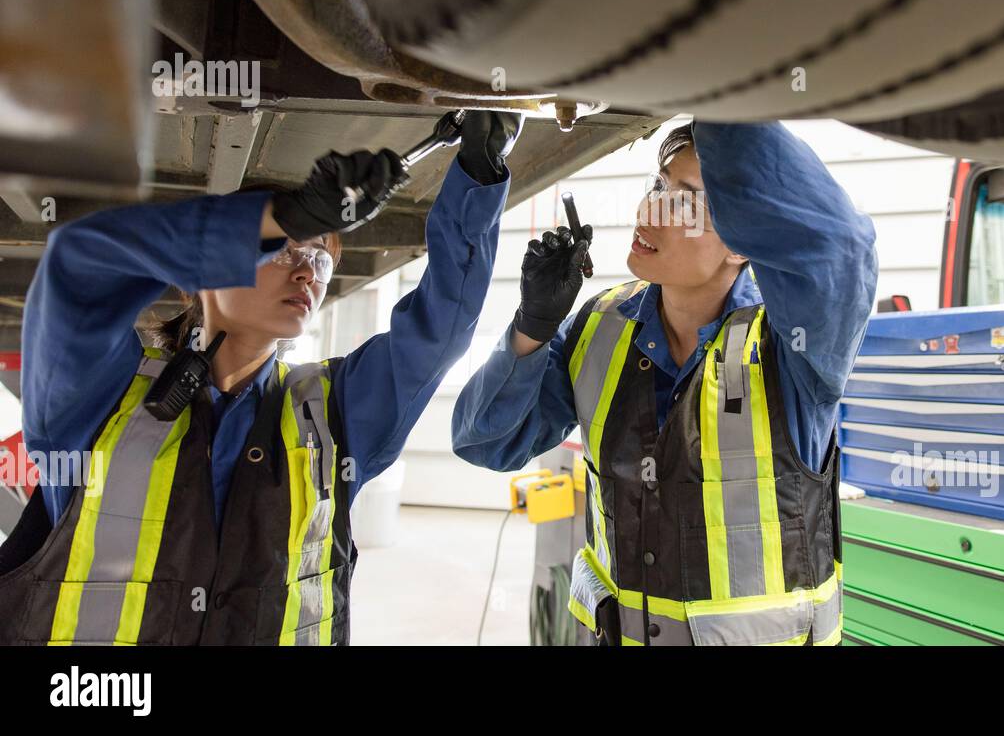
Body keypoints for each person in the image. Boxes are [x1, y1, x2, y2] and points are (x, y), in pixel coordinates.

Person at [0, 110, 520, 646]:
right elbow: (79, 262)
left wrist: (478, 177)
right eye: (285, 250)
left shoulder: (335, 410)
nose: (306, 272)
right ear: (202, 271)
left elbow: (440, 328)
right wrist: (275, 217)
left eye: (320, 259)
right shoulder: (99, 395)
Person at [453, 120, 876, 645]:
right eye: (658, 187)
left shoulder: (792, 348)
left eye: (686, 203)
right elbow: (484, 442)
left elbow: (843, 249)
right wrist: (532, 330)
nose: (649, 211)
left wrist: (713, 88)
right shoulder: (598, 326)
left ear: (743, 242)